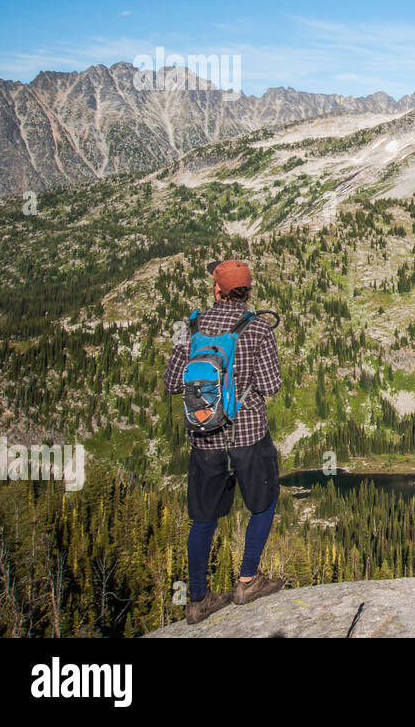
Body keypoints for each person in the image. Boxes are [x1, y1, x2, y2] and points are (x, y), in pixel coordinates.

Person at [164, 259, 286, 624]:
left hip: (205, 440)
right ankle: (247, 581)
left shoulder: (193, 327)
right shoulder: (258, 328)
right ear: (248, 291)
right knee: (263, 504)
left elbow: (173, 383)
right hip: (248, 435)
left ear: (216, 290)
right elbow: (270, 385)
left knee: (203, 520)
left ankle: (198, 599)